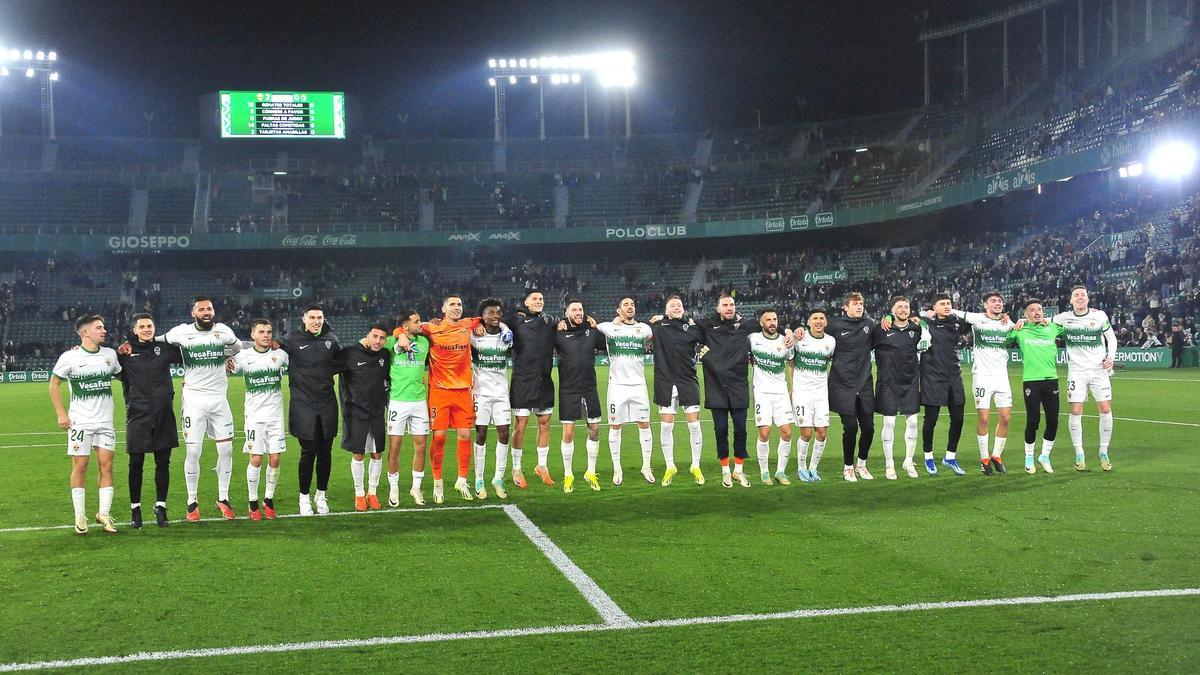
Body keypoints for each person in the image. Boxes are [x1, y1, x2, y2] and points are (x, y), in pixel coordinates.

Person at [394, 295, 496, 502]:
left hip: (463, 392)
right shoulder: (431, 328)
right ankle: (437, 484)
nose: (457, 307)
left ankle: (461, 480)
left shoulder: (468, 324)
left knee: (466, 436)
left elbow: (490, 319)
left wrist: (481, 326)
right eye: (452, 304)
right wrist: (400, 335)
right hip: (440, 391)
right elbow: (404, 327)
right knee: (439, 437)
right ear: (443, 309)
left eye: (459, 304)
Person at [160, 297, 242, 520]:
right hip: (194, 401)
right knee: (193, 451)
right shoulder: (181, 332)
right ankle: (192, 501)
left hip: (219, 401)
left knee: (226, 450)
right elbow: (156, 340)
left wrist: (227, 357)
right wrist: (130, 343)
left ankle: (223, 498)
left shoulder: (223, 331)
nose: (206, 312)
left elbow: (238, 346)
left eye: (209, 308)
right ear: (193, 313)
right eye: (201, 309)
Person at [49, 314, 122, 535]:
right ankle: (80, 515)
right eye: (99, 328)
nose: (104, 331)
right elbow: (54, 384)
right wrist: (62, 414)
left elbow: (125, 376)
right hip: (80, 422)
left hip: (105, 422)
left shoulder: (110, 355)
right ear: (85, 332)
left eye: (104, 327)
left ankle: (104, 514)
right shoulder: (69, 357)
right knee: (80, 466)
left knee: (106, 466)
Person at [117, 313, 182, 528]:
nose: (147, 329)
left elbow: (192, 353)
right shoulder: (124, 354)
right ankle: (135, 508)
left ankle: (160, 506)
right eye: (142, 326)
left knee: (163, 463)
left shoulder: (164, 349)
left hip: (163, 413)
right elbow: (100, 359)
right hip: (138, 414)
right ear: (134, 330)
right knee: (136, 463)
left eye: (150, 326)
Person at [277, 305, 342, 516]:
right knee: (308, 451)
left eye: (320, 318)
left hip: (327, 403)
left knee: (326, 452)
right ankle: (303, 497)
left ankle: (321, 495)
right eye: (312, 317)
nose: (316, 321)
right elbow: (268, 348)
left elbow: (345, 363)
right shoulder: (292, 340)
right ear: (304, 319)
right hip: (303, 404)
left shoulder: (331, 340)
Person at [945, 292, 1013, 475]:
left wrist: (1019, 322)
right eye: (993, 301)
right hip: (982, 376)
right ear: (985, 305)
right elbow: (953, 311)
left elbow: (1024, 327)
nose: (997, 303)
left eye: (999, 301)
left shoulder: (1008, 324)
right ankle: (984, 459)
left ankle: (996, 455)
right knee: (984, 417)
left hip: (1002, 377)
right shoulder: (977, 319)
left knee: (1006, 418)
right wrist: (928, 313)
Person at [228, 319, 289, 520]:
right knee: (256, 458)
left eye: (269, 331)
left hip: (275, 416)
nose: (266, 335)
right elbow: (227, 366)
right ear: (252, 334)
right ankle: (253, 501)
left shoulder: (280, 355)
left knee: (275, 459)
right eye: (261, 331)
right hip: (254, 417)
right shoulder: (243, 357)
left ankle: (268, 500)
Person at [1051, 285, 1117, 471]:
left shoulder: (1100, 316)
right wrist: (1020, 321)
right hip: (1077, 372)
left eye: (1083, 295)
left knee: (1105, 408)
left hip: (1098, 370)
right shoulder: (1064, 318)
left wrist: (1110, 357)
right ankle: (1079, 453)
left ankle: (1103, 451)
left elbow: (1111, 339)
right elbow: (1041, 320)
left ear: (1088, 299)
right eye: (1076, 295)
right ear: (1071, 300)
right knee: (1076, 411)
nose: (1080, 297)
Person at [697, 294, 759, 488]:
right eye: (725, 305)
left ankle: (738, 471)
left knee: (741, 430)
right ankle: (725, 471)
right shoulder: (706, 326)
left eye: (731, 304)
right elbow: (685, 330)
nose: (729, 308)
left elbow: (769, 325)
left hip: (739, 386)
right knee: (721, 430)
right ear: (718, 308)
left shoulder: (745, 326)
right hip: (716, 387)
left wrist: (791, 330)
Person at [647, 295, 705, 485]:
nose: (676, 307)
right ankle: (670, 466)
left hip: (688, 380)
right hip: (665, 382)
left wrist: (704, 354)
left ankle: (695, 465)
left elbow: (710, 339)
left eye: (679, 305)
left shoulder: (692, 328)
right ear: (666, 310)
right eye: (672, 305)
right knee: (666, 426)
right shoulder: (657, 326)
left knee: (694, 424)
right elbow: (634, 328)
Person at [596, 297, 655, 485]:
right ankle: (617, 468)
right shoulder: (608, 327)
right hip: (617, 387)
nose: (630, 307)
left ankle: (646, 466)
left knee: (644, 424)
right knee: (615, 427)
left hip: (639, 386)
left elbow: (659, 332)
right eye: (625, 305)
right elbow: (588, 324)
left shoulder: (644, 329)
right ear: (618, 310)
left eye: (632, 305)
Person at [335, 324, 392, 510]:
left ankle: (372, 492)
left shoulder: (385, 355)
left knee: (377, 453)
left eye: (382, 338)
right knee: (358, 453)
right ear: (367, 335)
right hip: (355, 411)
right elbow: (332, 366)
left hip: (376, 411)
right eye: (374, 336)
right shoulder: (351, 353)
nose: (377, 341)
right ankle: (359, 493)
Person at [874, 297, 931, 479]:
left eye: (906, 306)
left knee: (913, 422)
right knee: (889, 422)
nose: (904, 309)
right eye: (899, 307)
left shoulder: (917, 329)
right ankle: (889, 464)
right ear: (892, 310)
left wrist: (921, 318)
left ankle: (908, 461)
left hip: (910, 382)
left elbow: (930, 324)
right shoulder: (881, 329)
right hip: (887, 383)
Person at [1005, 299, 1063, 474]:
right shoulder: (1021, 330)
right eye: (1032, 310)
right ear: (1025, 314)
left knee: (1053, 421)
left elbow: (1073, 326)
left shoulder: (1053, 328)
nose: (1037, 312)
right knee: (1033, 420)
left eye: (1039, 309)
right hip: (1031, 380)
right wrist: (1013, 325)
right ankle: (1029, 457)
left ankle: (1044, 455)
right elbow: (1004, 339)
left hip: (1051, 379)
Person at [505, 289, 556, 487]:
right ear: (525, 303)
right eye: (534, 298)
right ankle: (516, 467)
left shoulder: (549, 321)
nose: (539, 301)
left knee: (545, 423)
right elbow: (491, 320)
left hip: (544, 380)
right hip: (523, 381)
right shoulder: (515, 321)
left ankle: (541, 466)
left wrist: (588, 320)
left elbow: (569, 321)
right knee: (520, 426)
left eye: (541, 298)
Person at [915, 294, 971, 475]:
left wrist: (1004, 318)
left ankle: (950, 457)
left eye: (949, 303)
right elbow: (906, 316)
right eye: (942, 304)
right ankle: (928, 457)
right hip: (932, 377)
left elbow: (980, 320)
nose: (947, 306)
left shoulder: (957, 323)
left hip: (954, 375)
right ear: (934, 307)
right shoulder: (925, 322)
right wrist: (890, 316)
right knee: (931, 420)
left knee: (958, 419)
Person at [555, 299, 607, 492]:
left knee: (594, 429)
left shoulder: (592, 331)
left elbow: (610, 337)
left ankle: (590, 472)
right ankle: (568, 474)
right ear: (566, 313)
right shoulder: (558, 332)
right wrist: (557, 322)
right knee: (568, 432)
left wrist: (595, 320)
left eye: (581, 309)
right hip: (568, 389)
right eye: (574, 309)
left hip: (589, 388)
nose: (578, 312)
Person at [825, 292, 878, 482]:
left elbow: (885, 332)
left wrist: (889, 317)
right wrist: (795, 330)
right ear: (845, 307)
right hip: (842, 384)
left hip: (864, 384)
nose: (859, 306)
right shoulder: (834, 325)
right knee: (850, 427)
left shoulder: (870, 324)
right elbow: (815, 332)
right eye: (855, 304)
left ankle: (862, 464)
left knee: (869, 428)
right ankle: (848, 467)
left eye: (861, 303)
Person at [385, 310, 430, 506]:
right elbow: (372, 341)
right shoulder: (388, 342)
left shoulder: (425, 342)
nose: (420, 323)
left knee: (421, 446)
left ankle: (416, 487)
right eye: (416, 321)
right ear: (405, 326)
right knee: (395, 447)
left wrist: (402, 333)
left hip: (420, 402)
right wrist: (398, 335)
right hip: (398, 401)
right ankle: (394, 487)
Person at [471, 298, 513, 499]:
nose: (496, 316)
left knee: (504, 433)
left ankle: (498, 478)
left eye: (498, 312)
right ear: (482, 316)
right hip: (481, 394)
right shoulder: (474, 336)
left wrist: (505, 327)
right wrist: (475, 324)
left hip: (502, 394)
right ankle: (479, 478)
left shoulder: (507, 336)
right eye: (491, 313)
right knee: (481, 434)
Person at [748, 308, 795, 486]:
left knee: (787, 432)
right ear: (761, 323)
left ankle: (781, 471)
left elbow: (791, 363)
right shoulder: (753, 339)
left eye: (775, 319)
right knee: (764, 432)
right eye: (768, 320)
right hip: (761, 393)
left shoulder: (786, 341)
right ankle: (764, 471)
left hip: (781, 392)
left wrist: (793, 387)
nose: (772, 322)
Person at [790, 309, 835, 482]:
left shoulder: (831, 341)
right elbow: (791, 363)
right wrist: (792, 387)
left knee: (822, 433)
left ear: (826, 322)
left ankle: (813, 469)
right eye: (815, 318)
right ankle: (801, 468)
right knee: (806, 433)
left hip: (821, 394)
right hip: (802, 394)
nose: (818, 321)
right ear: (808, 322)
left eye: (821, 318)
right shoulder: (800, 339)